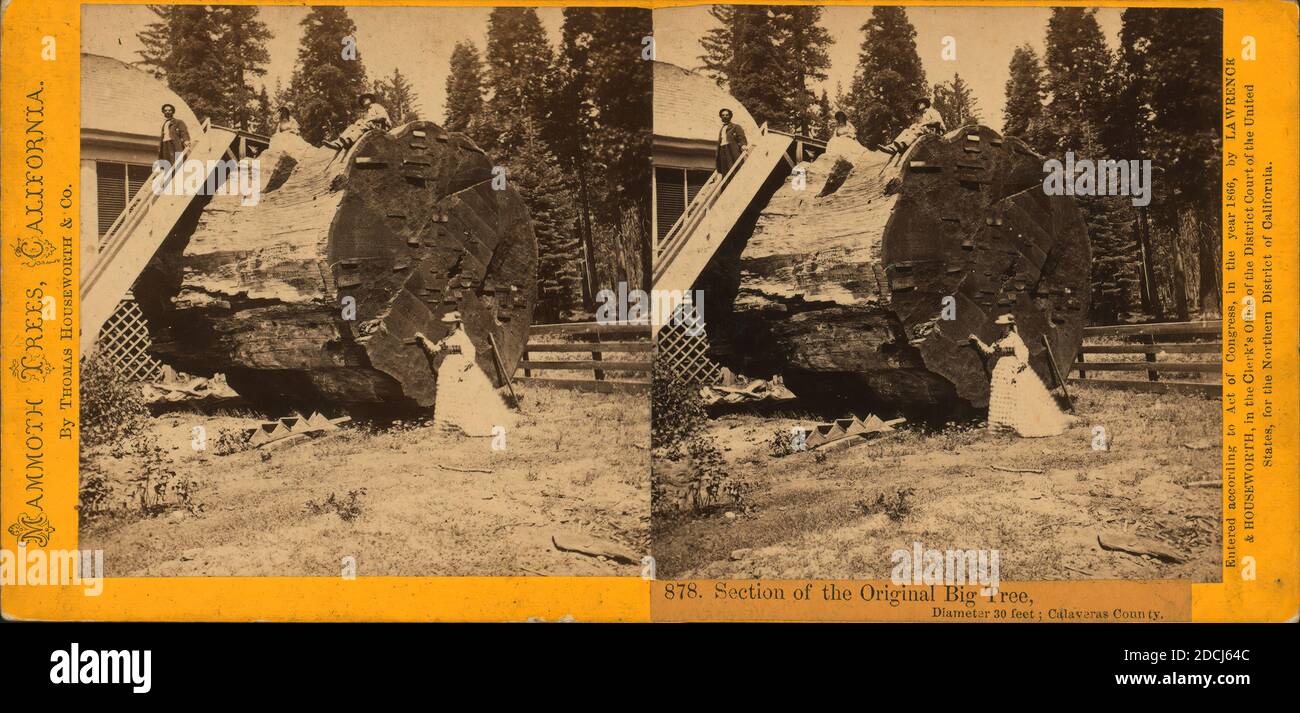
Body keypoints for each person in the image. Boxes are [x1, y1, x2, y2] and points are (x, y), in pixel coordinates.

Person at [968, 314, 1074, 438]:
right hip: (1001, 369)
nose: (1002, 329)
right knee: (1002, 394)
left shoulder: (1015, 339)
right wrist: (977, 341)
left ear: (1009, 326)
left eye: (1004, 326)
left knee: (1015, 394)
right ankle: (1005, 423)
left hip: (1012, 368)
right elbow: (989, 352)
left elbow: (1023, 356)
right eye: (1001, 326)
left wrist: (1017, 369)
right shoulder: (999, 340)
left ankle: (1017, 422)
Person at [414, 312, 516, 438]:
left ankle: (465, 423)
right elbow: (435, 350)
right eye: (447, 323)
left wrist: (464, 369)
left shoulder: (461, 336)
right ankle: (451, 424)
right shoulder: (447, 338)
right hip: (448, 367)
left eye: (451, 323)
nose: (449, 326)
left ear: (456, 324)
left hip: (459, 367)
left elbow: (470, 353)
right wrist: (423, 338)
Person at [327, 93, 392, 151]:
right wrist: (360, 122)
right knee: (352, 126)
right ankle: (338, 143)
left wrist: (368, 120)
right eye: (362, 100)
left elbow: (383, 117)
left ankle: (349, 140)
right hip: (371, 127)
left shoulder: (376, 106)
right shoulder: (367, 111)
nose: (363, 100)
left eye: (365, 98)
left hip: (383, 128)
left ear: (370, 99)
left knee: (364, 124)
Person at [158, 103, 191, 171]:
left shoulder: (178, 122)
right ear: (163, 112)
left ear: (172, 112)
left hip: (173, 143)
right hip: (164, 143)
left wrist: (186, 140)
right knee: (166, 162)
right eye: (166, 110)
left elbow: (183, 131)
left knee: (175, 160)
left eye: (169, 110)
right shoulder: (164, 123)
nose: (167, 112)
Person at [715, 108, 747, 175]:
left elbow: (741, 137)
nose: (725, 116)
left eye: (727, 115)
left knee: (733, 168)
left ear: (730, 116)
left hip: (731, 149)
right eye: (723, 115)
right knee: (724, 170)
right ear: (721, 117)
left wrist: (743, 145)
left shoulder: (735, 126)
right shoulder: (722, 129)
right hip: (722, 150)